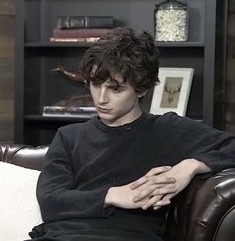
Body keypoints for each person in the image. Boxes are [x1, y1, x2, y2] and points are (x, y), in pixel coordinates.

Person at [28, 27, 235, 241]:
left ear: (142, 89)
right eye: (95, 84)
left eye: (115, 89)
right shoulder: (68, 137)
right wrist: (114, 195)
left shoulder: (168, 130)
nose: (101, 99)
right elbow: (50, 201)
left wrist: (190, 166)